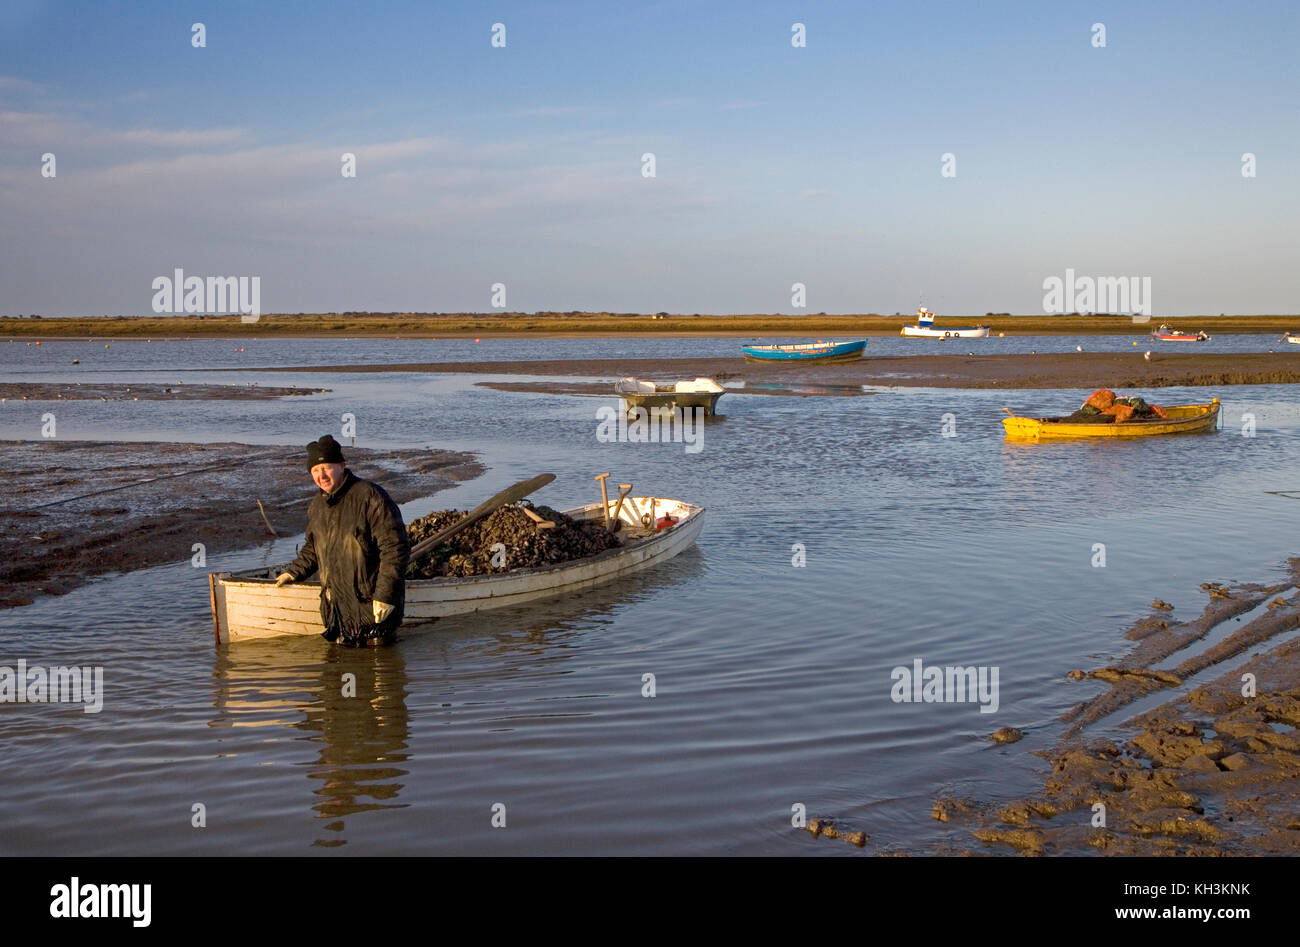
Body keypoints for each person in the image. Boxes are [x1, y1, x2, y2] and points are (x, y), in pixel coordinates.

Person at [275, 435, 410, 646]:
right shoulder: (317, 506)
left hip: (373, 610)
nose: (322, 475)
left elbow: (395, 548)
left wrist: (384, 595)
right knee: (338, 671)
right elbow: (313, 547)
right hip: (336, 612)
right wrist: (293, 572)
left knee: (382, 670)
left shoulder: (369, 496)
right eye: (315, 471)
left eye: (326, 468)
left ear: (342, 466)